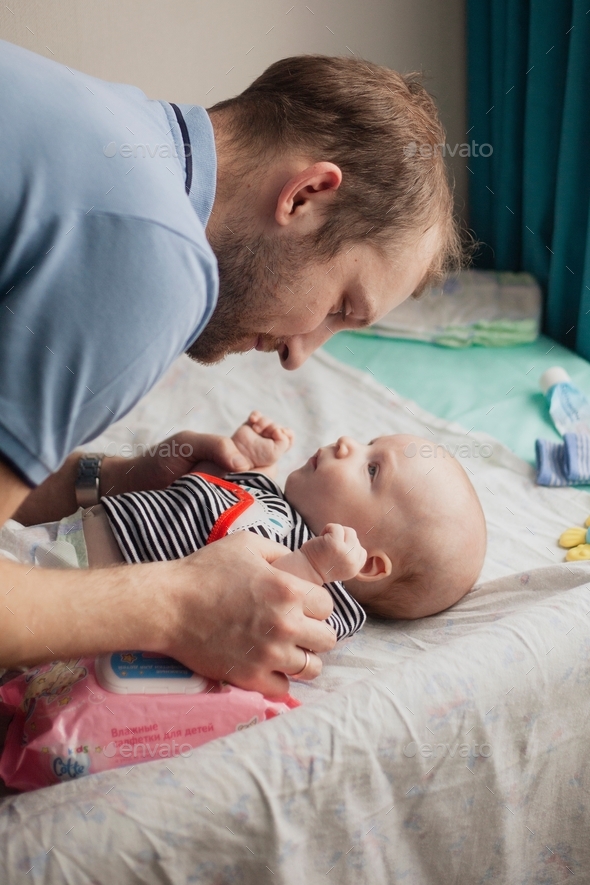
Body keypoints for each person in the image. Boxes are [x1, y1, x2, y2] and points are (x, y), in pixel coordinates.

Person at [0, 40, 464, 695]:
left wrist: (118, 477)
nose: (300, 352)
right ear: (305, 195)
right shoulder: (158, 261)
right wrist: (183, 606)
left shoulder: (126, 137)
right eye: (339, 305)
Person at [58, 413, 486, 639]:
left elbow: (259, 605)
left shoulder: (326, 599)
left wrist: (314, 567)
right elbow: (205, 500)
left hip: (80, 588)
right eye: (370, 442)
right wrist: (244, 460)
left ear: (368, 564)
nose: (347, 444)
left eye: (371, 470)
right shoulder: (272, 502)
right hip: (70, 532)